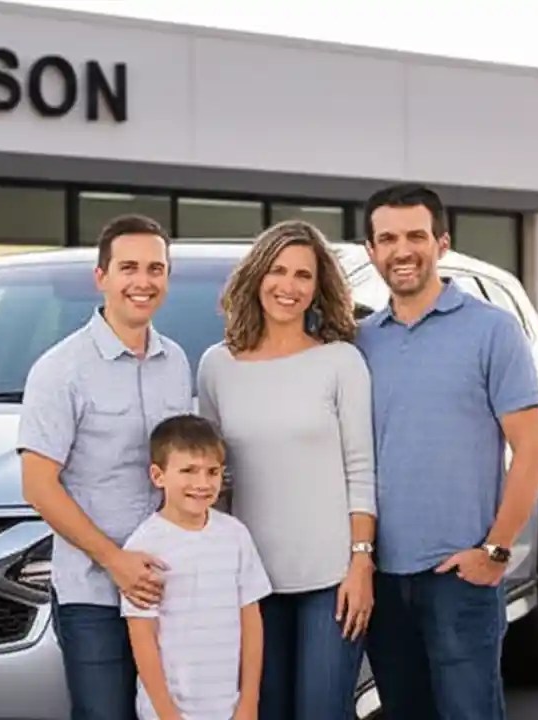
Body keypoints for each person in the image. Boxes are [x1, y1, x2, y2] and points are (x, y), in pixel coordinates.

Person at [355, 183, 538, 720]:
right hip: (382, 580)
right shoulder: (359, 341)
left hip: (461, 578)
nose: (402, 250)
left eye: (416, 235)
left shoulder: (492, 331)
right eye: (387, 238)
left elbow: (530, 450)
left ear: (442, 242)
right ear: (371, 251)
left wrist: (496, 552)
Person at [196, 219, 378, 720]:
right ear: (256, 277)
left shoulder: (341, 362)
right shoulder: (217, 366)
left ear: (319, 288)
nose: (289, 287)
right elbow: (214, 481)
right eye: (278, 271)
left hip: (332, 580)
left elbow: (361, 470)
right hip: (250, 581)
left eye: (304, 275)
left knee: (322, 710)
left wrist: (361, 564)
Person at [17, 213, 195, 720]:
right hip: (94, 592)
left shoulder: (178, 362)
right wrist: (115, 560)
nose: (143, 282)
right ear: (102, 277)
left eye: (155, 269)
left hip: (169, 586)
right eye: (129, 268)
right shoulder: (60, 370)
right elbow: (38, 485)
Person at [120, 414, 271, 720]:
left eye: (212, 472)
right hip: (169, 711)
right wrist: (167, 714)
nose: (202, 484)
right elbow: (143, 637)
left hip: (229, 708)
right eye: (188, 471)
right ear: (158, 475)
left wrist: (249, 702)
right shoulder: (143, 547)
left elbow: (251, 622)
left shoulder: (235, 535)